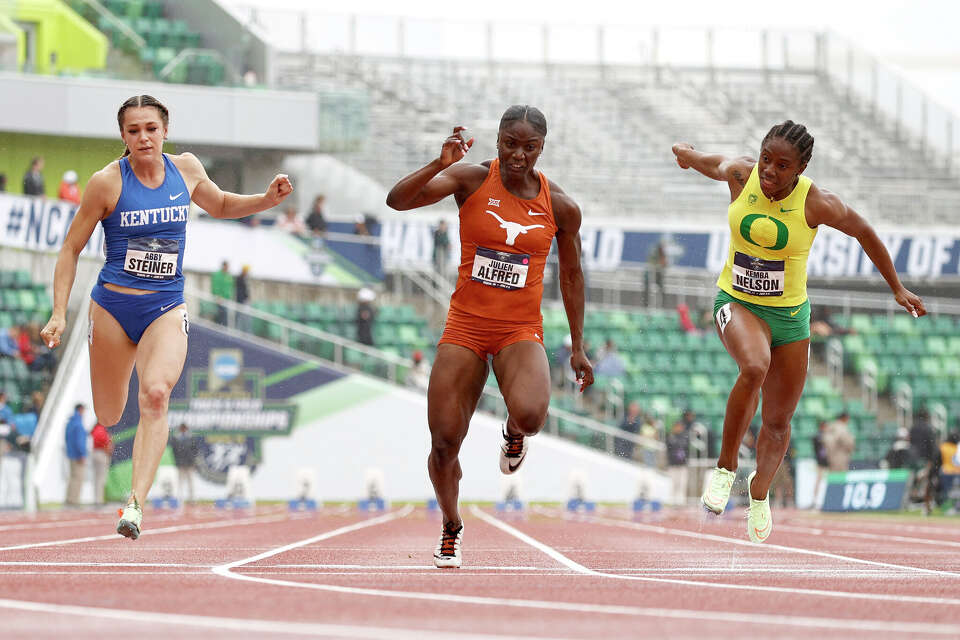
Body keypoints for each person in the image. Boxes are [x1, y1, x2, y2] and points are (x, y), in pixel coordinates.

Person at [40, 95, 292, 539]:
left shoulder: (187, 169)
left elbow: (221, 205)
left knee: (156, 394)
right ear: (123, 136)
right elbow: (70, 248)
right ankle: (103, 356)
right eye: (134, 130)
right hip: (114, 309)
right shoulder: (106, 183)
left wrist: (265, 200)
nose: (143, 138)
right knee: (110, 413)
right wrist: (60, 312)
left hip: (165, 307)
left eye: (151, 129)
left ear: (165, 131)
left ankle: (135, 505)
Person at [673, 120, 925, 543]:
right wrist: (685, 153)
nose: (769, 171)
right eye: (766, 159)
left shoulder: (817, 203)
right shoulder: (742, 174)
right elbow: (707, 162)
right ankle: (725, 468)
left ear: (802, 167)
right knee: (754, 366)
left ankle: (759, 492)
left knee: (778, 420)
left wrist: (896, 287)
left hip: (789, 317)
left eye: (782, 165)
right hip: (736, 301)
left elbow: (864, 232)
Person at [386, 106, 593, 568]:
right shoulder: (471, 180)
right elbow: (397, 201)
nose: (518, 155)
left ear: (542, 147)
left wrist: (578, 346)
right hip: (466, 326)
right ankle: (451, 525)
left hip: (519, 329)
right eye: (509, 143)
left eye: (529, 147)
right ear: (498, 141)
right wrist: (440, 163)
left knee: (532, 414)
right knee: (443, 445)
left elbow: (573, 277)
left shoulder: (560, 207)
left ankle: (513, 435)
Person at [64, 404, 87, 506]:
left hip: (71, 453)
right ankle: (74, 500)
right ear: (80, 410)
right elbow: (79, 441)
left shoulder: (70, 423)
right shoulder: (78, 423)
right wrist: (81, 454)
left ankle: (69, 499)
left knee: (72, 477)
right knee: (78, 478)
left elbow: (67, 438)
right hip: (77, 455)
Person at [170, 422, 198, 504]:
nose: (183, 430)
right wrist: (177, 461)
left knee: (190, 482)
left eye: (184, 428)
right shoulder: (176, 438)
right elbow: (174, 451)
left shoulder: (191, 437)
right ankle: (179, 499)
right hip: (181, 463)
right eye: (182, 428)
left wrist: (193, 460)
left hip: (189, 463)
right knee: (180, 481)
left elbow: (195, 450)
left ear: (186, 429)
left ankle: (192, 499)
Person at [665, 419, 690, 505]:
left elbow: (686, 449)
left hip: (682, 465)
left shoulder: (685, 436)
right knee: (673, 484)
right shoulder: (670, 436)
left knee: (682, 484)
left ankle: (681, 502)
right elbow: (669, 449)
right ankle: (672, 502)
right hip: (673, 465)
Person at [90, 421, 113, 506]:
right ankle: (99, 500)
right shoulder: (101, 430)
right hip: (101, 454)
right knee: (101, 479)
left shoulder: (95, 429)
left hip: (96, 453)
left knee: (97, 479)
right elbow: (105, 442)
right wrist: (108, 450)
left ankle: (97, 499)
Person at [210, 260, 235, 326]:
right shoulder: (218, 275)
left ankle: (222, 328)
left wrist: (230, 296)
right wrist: (218, 296)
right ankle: (218, 327)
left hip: (227, 299)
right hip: (220, 299)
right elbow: (215, 286)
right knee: (221, 315)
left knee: (225, 316)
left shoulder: (228, 276)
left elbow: (230, 287)